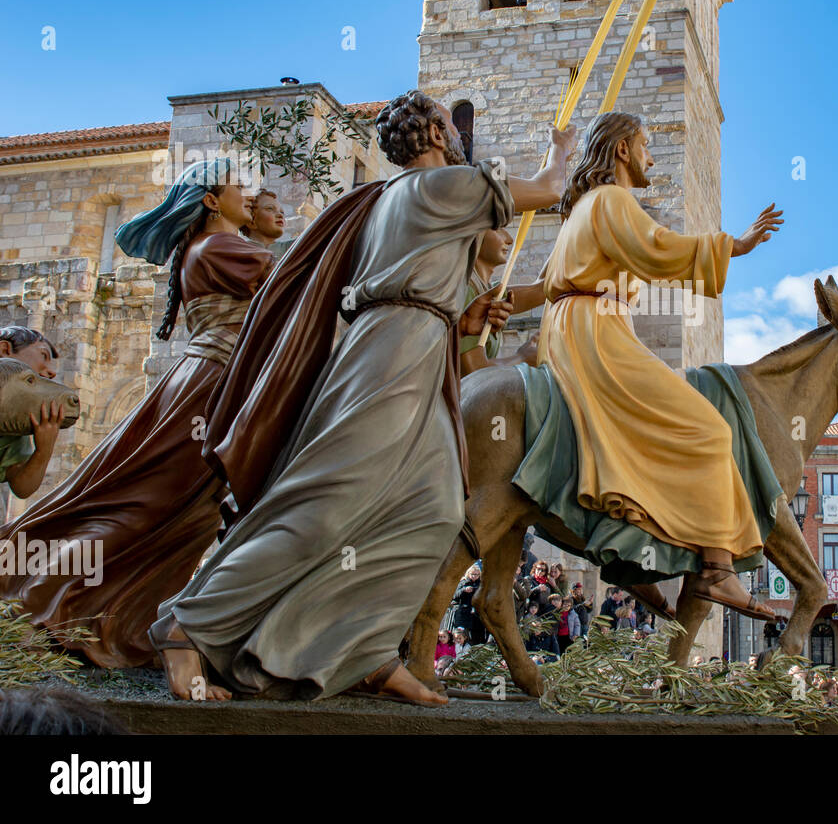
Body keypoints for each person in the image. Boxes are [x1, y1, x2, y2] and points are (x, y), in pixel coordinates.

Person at [150, 90, 574, 705]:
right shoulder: (438, 186)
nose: (458, 141)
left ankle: (366, 649)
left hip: (420, 344)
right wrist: (562, 149)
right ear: (433, 134)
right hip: (389, 356)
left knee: (434, 508)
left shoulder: (405, 199)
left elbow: (410, 285)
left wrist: (465, 313)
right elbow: (547, 188)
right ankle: (188, 624)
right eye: (449, 132)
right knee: (328, 503)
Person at [1, 159, 271, 669]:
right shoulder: (220, 245)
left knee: (181, 514)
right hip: (210, 387)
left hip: (213, 385)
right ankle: (31, 612)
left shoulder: (208, 246)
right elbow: (296, 283)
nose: (251, 197)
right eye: (241, 188)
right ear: (211, 200)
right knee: (143, 506)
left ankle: (105, 616)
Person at [537, 110, 783, 621]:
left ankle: (638, 554)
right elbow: (657, 248)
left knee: (655, 434)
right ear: (622, 150)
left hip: (565, 331)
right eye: (646, 144)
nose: (653, 155)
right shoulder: (610, 199)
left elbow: (538, 288)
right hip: (597, 333)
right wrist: (731, 246)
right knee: (708, 431)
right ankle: (716, 568)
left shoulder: (581, 210)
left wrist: (491, 304)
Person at [459, 226, 544, 375]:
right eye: (499, 229)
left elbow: (543, 289)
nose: (510, 240)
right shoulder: (464, 289)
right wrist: (521, 358)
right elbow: (474, 373)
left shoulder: (488, 290)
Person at [0, 327, 66, 513]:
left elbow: (22, 486)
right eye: (43, 355)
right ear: (5, 350)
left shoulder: (13, 428)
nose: (52, 372)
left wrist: (44, 449)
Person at [451, 563, 486, 645]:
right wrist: (464, 590)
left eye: (477, 574)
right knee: (462, 633)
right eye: (472, 574)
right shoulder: (463, 582)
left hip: (476, 613)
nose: (474, 576)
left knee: (476, 635)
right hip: (463, 612)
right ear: (468, 574)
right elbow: (454, 596)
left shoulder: (481, 583)